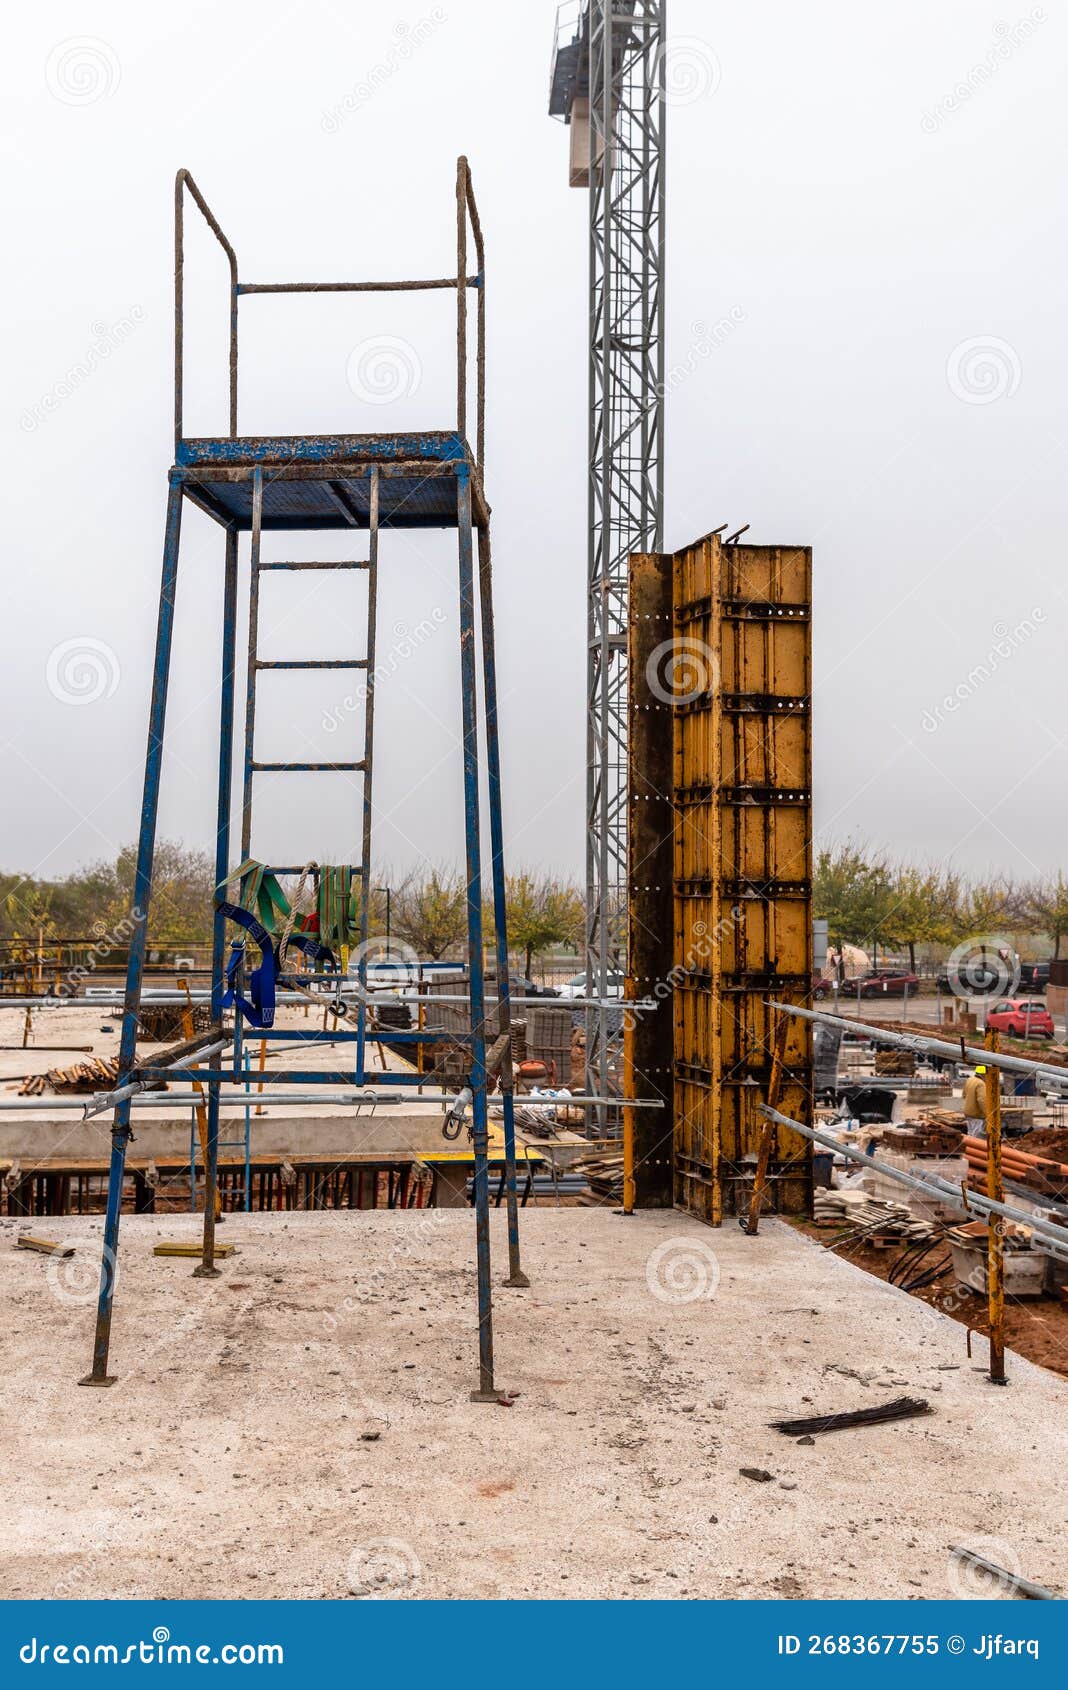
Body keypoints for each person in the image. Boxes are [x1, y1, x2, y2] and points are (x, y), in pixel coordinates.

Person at [962, 1065, 988, 1137]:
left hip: (968, 1112)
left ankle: (968, 1147)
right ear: (984, 1074)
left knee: (970, 1133)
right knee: (976, 1136)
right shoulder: (981, 1083)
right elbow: (982, 1100)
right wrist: (987, 1113)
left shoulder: (969, 1080)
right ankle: (973, 1147)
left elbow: (964, 1095)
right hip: (976, 1114)